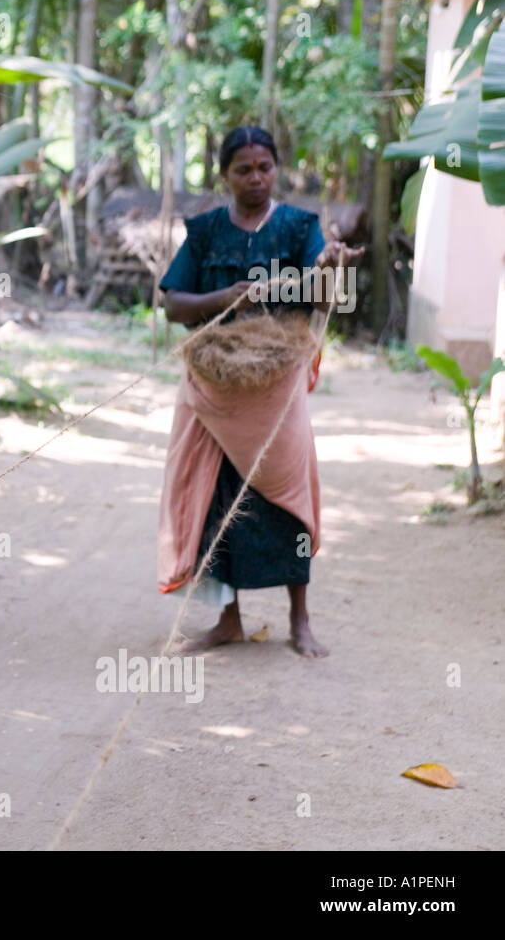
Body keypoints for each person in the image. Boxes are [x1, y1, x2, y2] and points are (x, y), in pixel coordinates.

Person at [156, 125, 362, 658]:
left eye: (265, 167)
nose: (256, 178)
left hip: (275, 386)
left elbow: (320, 288)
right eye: (243, 169)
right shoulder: (203, 232)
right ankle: (229, 620)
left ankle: (301, 620)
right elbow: (173, 303)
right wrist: (224, 294)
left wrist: (332, 263)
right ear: (225, 175)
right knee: (217, 496)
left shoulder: (298, 227)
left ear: (277, 169)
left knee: (287, 491)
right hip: (213, 384)